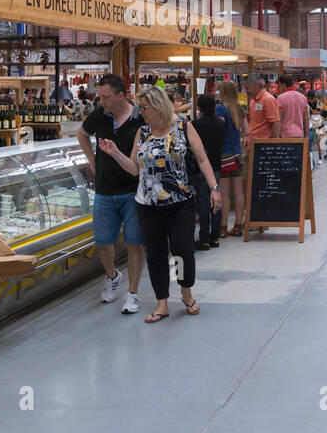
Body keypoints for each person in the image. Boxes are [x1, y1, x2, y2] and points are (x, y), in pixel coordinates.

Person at [99, 86, 219, 323]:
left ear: (158, 106)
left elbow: (202, 159)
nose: (141, 112)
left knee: (182, 251)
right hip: (147, 204)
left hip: (179, 202)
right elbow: (134, 169)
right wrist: (115, 154)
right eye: (140, 108)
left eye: (144, 108)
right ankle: (162, 302)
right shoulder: (142, 132)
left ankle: (185, 292)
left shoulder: (182, 125)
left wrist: (214, 188)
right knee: (156, 254)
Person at [77, 73, 146, 314]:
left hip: (133, 191)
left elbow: (138, 161)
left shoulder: (140, 118)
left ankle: (133, 293)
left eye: (105, 97)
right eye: (100, 97)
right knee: (103, 241)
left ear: (121, 96)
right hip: (104, 189)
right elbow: (82, 133)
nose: (101, 101)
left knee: (134, 243)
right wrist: (92, 160)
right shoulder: (100, 114)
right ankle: (113, 276)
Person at [193, 94, 226, 250]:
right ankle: (215, 238)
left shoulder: (195, 125)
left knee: (204, 204)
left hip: (200, 168)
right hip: (216, 165)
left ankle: (204, 239)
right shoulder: (220, 123)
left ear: (199, 107)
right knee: (216, 202)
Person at [216, 79, 247, 237]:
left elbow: (220, 128)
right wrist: (238, 138)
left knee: (224, 193)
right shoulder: (239, 109)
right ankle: (238, 226)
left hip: (224, 154)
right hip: (237, 154)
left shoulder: (220, 108)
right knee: (238, 191)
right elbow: (246, 130)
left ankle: (223, 228)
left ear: (222, 92)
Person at [277, 74, 309, 139]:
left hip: (285, 135)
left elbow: (279, 119)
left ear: (283, 84)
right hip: (299, 134)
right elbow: (306, 118)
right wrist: (306, 136)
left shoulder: (280, 98)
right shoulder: (303, 97)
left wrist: (277, 135)